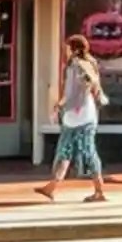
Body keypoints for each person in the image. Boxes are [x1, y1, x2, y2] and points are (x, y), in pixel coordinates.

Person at [35, 35, 107, 202]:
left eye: (66, 48)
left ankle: (97, 191)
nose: (64, 51)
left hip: (74, 116)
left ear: (74, 50)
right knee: (88, 151)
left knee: (65, 150)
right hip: (88, 115)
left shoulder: (74, 66)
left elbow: (70, 93)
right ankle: (53, 187)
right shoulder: (90, 64)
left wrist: (59, 106)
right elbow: (94, 90)